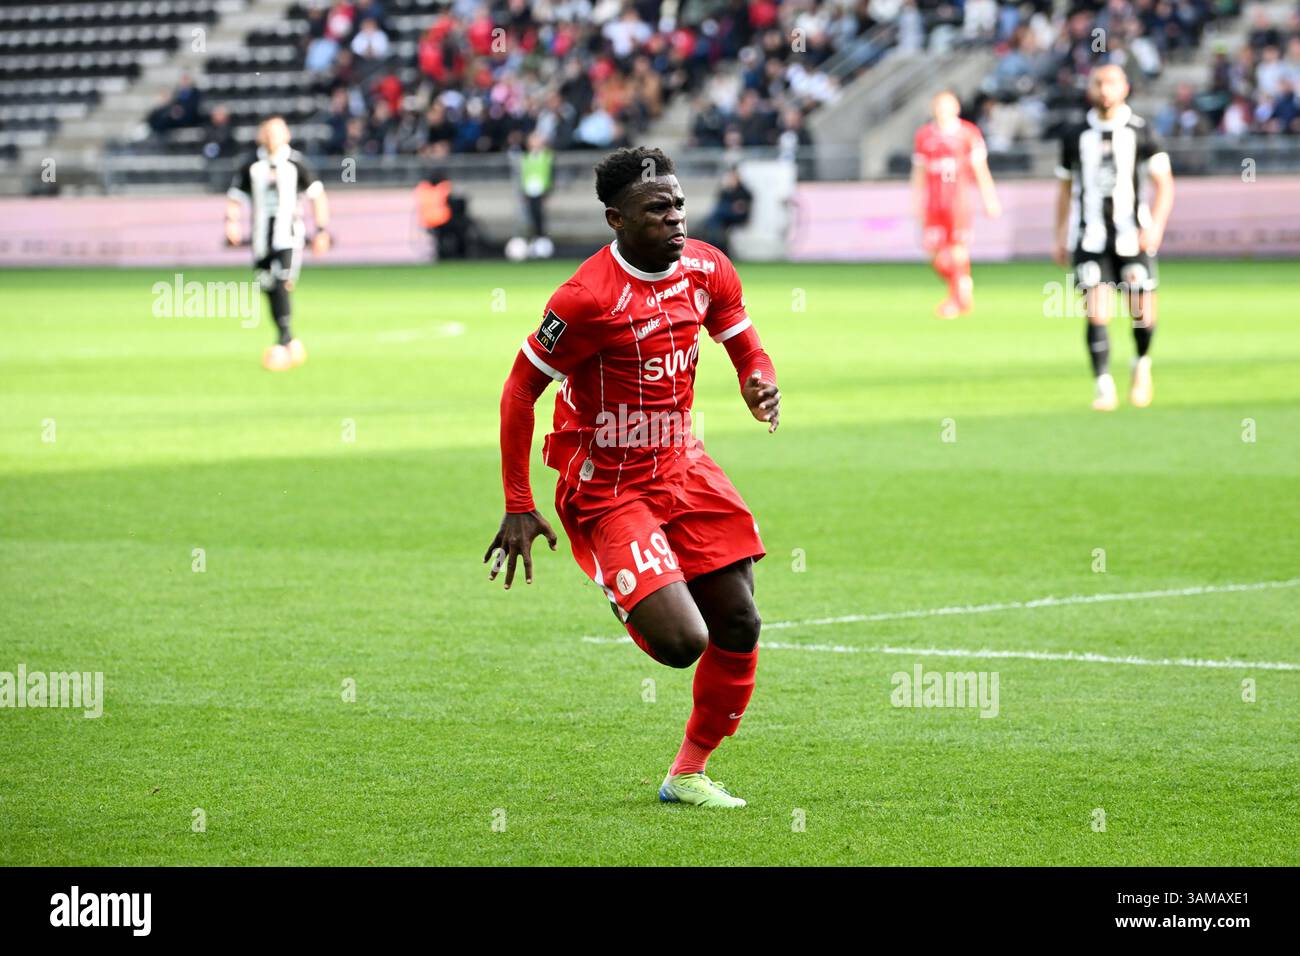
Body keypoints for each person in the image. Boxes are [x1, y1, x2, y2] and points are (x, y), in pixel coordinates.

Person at [484, 146, 781, 809]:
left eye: (678, 205)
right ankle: (626, 586)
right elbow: (518, 389)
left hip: (683, 465)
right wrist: (517, 500)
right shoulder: (586, 298)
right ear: (616, 219)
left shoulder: (705, 268)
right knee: (682, 643)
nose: (677, 220)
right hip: (609, 484)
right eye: (658, 210)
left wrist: (756, 379)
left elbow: (743, 340)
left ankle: (687, 774)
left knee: (739, 623)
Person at [1054, 65, 1175, 411]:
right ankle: (1103, 385)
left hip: (1133, 237)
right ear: (1089, 88)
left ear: (1125, 87)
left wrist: (1156, 226)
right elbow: (1063, 188)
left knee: (1143, 316)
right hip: (1089, 238)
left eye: (1111, 83)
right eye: (1098, 83)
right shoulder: (1075, 134)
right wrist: (1060, 233)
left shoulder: (1142, 131)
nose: (1104, 89)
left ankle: (1141, 364)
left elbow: (1164, 183)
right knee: (1096, 312)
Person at [225, 117, 332, 370]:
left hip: (289, 236)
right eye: (268, 132)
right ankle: (290, 340)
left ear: (286, 135)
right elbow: (235, 197)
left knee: (283, 281)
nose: (272, 137)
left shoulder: (296, 163)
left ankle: (283, 342)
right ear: (260, 136)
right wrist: (231, 222)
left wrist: (322, 231)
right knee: (267, 285)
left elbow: (317, 196)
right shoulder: (251, 165)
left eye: (277, 132)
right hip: (261, 238)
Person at [911, 91, 1002, 319]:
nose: (942, 111)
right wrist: (916, 202)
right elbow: (919, 172)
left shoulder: (968, 134)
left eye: (946, 106)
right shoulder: (924, 135)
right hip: (933, 203)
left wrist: (989, 199)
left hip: (957, 202)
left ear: (956, 108)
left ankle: (956, 300)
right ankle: (963, 285)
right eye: (938, 106)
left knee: (958, 250)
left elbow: (980, 169)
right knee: (934, 254)